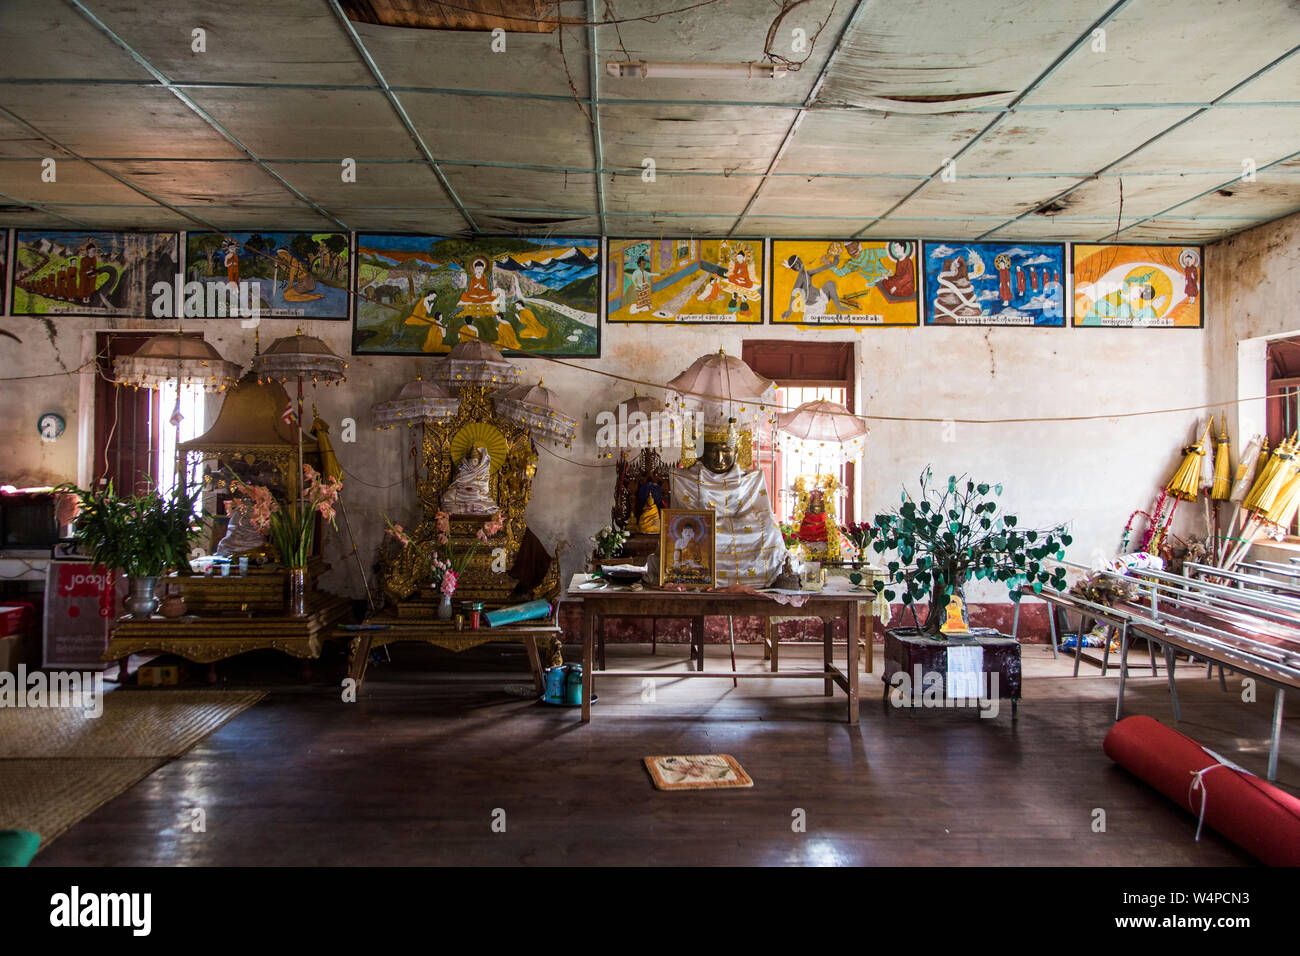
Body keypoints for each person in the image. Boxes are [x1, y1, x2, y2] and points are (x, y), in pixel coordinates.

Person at [443, 446, 497, 515]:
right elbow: (459, 481)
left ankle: (470, 508)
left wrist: (474, 489)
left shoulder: (483, 471)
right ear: (468, 460)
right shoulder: (464, 467)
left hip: (477, 494)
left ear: (479, 461)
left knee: (483, 500)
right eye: (471, 460)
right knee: (449, 494)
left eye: (475, 461)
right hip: (462, 493)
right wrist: (464, 488)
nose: (473, 463)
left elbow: (484, 488)